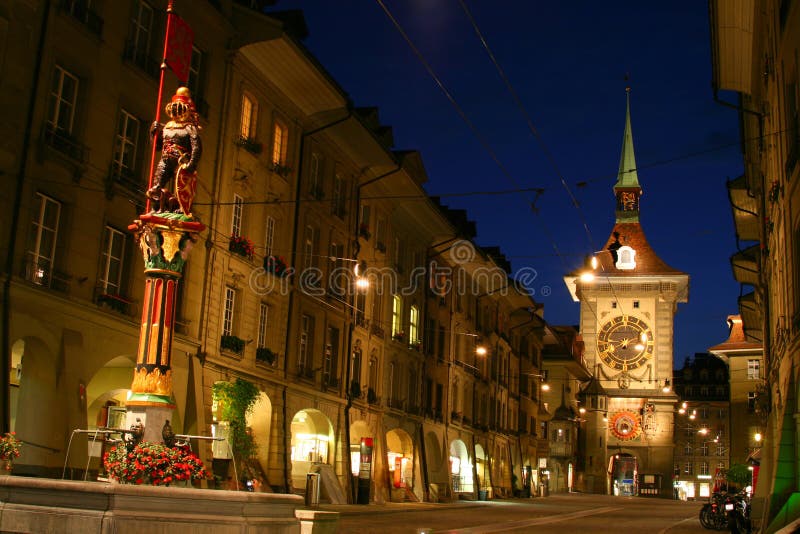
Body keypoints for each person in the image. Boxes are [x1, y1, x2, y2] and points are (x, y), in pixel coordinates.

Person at [148, 87, 202, 216]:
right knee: (156, 185)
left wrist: (191, 164)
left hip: (181, 161)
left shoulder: (189, 127)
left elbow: (196, 147)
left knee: (181, 187)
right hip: (166, 158)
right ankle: (156, 208)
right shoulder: (166, 127)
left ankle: (180, 208)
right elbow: (156, 147)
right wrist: (152, 133)